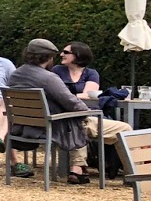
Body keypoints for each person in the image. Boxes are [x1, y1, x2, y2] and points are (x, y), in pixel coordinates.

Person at [7, 39, 97, 182]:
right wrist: (89, 111)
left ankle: (79, 168)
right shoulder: (48, 78)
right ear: (49, 57)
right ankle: (133, 173)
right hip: (53, 127)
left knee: (82, 123)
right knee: (123, 128)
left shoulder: (15, 75)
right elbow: (72, 103)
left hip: (24, 127)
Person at [53, 40, 132, 163]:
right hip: (67, 117)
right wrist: (71, 98)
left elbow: (89, 95)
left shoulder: (91, 73)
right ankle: (79, 167)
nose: (61, 55)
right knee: (80, 126)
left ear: (78, 55)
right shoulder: (57, 70)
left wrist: (65, 97)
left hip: (86, 113)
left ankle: (117, 167)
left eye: (66, 52)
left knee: (82, 124)